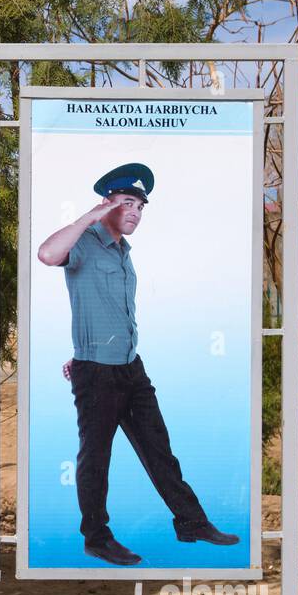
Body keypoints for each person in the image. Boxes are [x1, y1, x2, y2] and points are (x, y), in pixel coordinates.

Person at [36, 163, 240, 566]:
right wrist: (88, 216)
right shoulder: (85, 242)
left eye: (140, 206)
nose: (135, 212)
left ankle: (191, 522)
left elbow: (106, 309)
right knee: (95, 459)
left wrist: (83, 348)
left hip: (130, 367)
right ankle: (96, 537)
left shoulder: (125, 252)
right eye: (127, 203)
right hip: (96, 374)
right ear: (106, 204)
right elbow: (46, 254)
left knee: (160, 450)